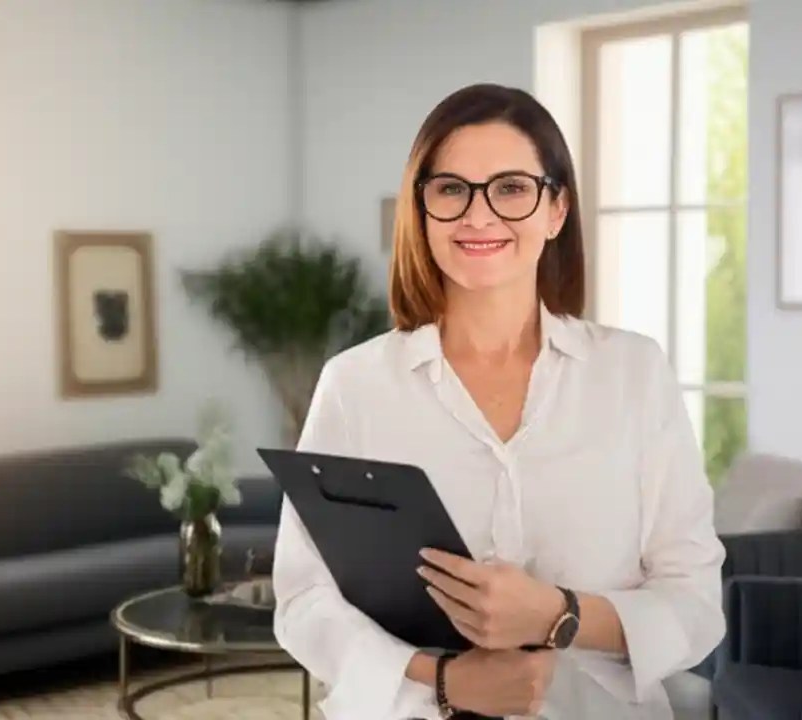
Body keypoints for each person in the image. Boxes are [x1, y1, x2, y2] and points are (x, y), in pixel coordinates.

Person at [272, 83, 726, 720]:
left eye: (511, 187)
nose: (477, 215)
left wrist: (559, 616)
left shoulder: (633, 372)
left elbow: (696, 602)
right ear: (422, 208)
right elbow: (302, 601)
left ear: (556, 209)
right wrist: (445, 681)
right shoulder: (356, 384)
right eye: (451, 188)